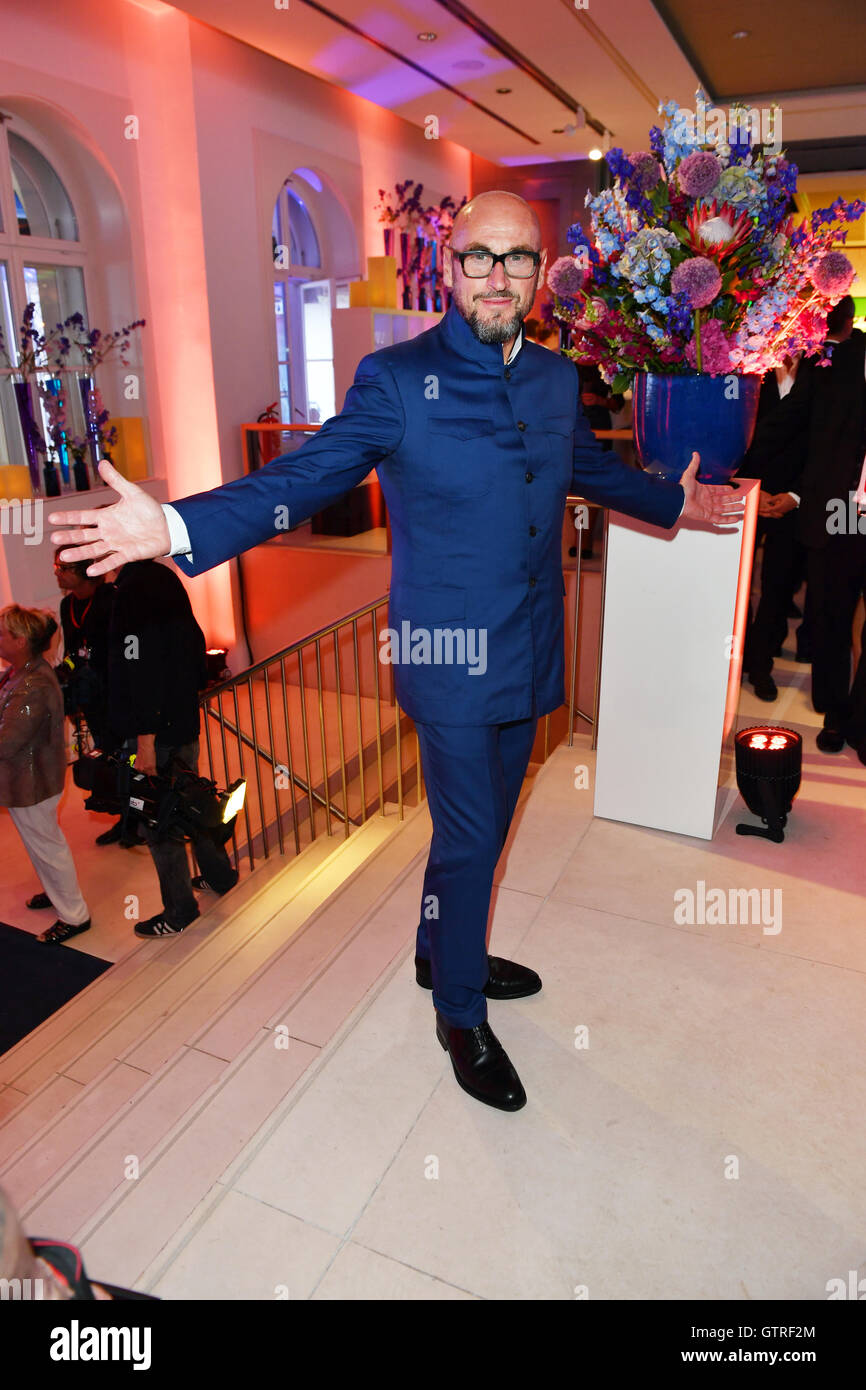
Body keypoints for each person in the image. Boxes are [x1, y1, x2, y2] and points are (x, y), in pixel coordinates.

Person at [50, 190, 745, 1110]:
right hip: (449, 659)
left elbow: (585, 466)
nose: (498, 277)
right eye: (479, 258)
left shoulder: (554, 376)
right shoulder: (394, 378)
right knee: (470, 836)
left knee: (489, 826)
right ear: (449, 269)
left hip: (531, 646)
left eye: (519, 259)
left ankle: (436, 943)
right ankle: (457, 1008)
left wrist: (674, 502)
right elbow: (304, 475)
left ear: (541, 276)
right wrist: (178, 525)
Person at [746, 306, 866, 758]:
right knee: (832, 612)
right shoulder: (838, 360)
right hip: (843, 508)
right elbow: (814, 437)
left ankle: (861, 719)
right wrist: (797, 494)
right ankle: (835, 715)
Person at [105, 558, 238, 936]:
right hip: (180, 718)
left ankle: (179, 911)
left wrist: (144, 740)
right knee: (191, 802)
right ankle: (220, 876)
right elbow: (193, 641)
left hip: (153, 732)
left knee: (158, 820)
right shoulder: (162, 577)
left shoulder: (131, 593)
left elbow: (139, 668)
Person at [0, 605, 92, 944]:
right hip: (26, 780)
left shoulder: (32, 684)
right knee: (41, 845)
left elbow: (7, 742)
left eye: (2, 634)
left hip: (32, 782)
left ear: (21, 641)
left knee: (47, 847)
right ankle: (56, 895)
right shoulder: (20, 671)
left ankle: (75, 915)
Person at [738, 353, 809, 701]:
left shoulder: (820, 368)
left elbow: (825, 437)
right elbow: (736, 429)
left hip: (794, 494)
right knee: (739, 583)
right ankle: (735, 659)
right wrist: (750, 487)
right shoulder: (751, 363)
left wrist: (796, 494)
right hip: (748, 487)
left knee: (778, 586)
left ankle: (761, 663)